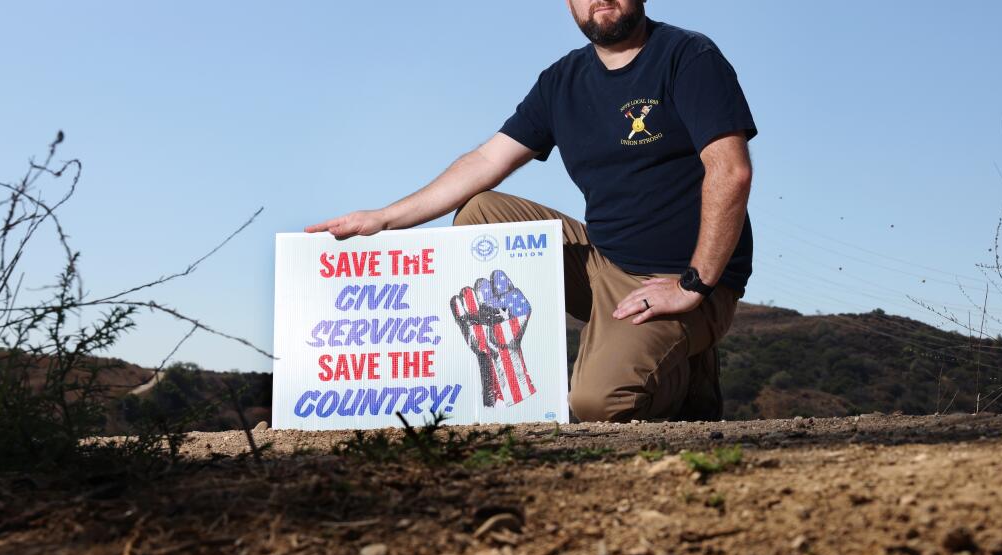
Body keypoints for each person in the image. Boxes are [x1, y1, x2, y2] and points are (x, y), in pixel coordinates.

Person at [306, 0, 756, 422]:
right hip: (603, 262)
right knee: (480, 213)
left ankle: (681, 368)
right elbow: (486, 162)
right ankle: (643, 362)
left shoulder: (688, 55)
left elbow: (730, 171)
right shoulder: (561, 80)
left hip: (681, 278)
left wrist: (694, 284)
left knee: (598, 404)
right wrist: (383, 218)